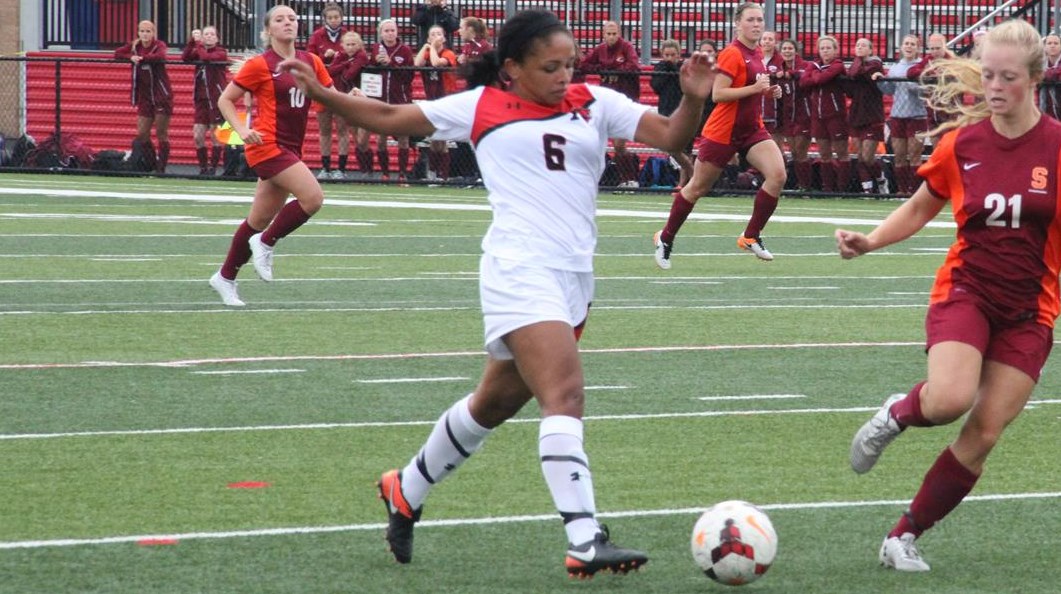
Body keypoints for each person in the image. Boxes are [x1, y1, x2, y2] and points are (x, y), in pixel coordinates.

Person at [281, 8, 713, 576]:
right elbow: (389, 115)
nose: (564, 75)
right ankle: (585, 537)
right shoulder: (481, 105)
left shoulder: (595, 101)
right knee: (565, 394)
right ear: (512, 68)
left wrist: (695, 97)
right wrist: (325, 94)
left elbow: (673, 135)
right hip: (518, 270)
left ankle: (404, 487)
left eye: (569, 64)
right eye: (550, 66)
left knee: (494, 404)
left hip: (574, 277)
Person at [836, 19, 1061, 573]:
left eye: (1008, 77)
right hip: (967, 292)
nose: (994, 87)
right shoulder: (965, 144)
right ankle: (898, 412)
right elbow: (918, 207)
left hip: (1031, 310)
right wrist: (870, 242)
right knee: (950, 399)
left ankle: (903, 535)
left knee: (984, 433)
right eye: (987, 75)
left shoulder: (1057, 147)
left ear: (1035, 79)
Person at [208, 4, 334, 307]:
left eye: (292, 18)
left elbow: (328, 99)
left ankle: (225, 277)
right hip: (266, 146)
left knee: (257, 219)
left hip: (290, 148)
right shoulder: (260, 64)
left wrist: (352, 98)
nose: (288, 22)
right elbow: (226, 100)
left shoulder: (311, 61)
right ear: (268, 30)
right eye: (279, 19)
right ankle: (266, 243)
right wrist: (240, 129)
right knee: (313, 198)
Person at [652, 2, 785, 268]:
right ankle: (665, 237)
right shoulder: (732, 53)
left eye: (760, 20)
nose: (757, 24)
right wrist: (756, 88)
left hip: (751, 129)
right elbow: (719, 94)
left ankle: (751, 236)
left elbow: (751, 87)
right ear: (738, 23)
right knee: (698, 188)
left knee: (778, 175)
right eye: (751, 20)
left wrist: (767, 92)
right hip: (723, 132)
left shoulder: (757, 51)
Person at [580, 21, 643, 187]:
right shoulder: (600, 49)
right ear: (603, 34)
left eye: (614, 33)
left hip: (624, 100)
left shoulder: (627, 47)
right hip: (606, 101)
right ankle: (624, 179)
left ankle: (630, 179)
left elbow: (634, 66)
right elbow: (585, 64)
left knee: (619, 144)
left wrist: (614, 68)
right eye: (608, 34)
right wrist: (601, 69)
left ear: (619, 34)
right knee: (600, 141)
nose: (611, 37)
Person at [114, 20, 172, 174]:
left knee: (161, 133)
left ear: (153, 33)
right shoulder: (135, 46)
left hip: (161, 96)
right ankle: (152, 162)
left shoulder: (159, 45)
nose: (145, 34)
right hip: (144, 96)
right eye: (142, 31)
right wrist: (130, 57)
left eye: (148, 31)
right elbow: (117, 53)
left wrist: (141, 58)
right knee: (142, 134)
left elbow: (160, 56)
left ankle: (161, 168)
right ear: (138, 32)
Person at [878, 34, 929, 194]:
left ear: (918, 48)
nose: (909, 46)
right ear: (901, 47)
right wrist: (880, 81)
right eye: (906, 43)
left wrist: (911, 84)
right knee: (899, 155)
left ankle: (914, 190)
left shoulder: (922, 67)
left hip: (917, 116)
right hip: (898, 116)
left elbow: (926, 90)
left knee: (914, 155)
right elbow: (889, 90)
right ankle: (901, 190)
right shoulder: (895, 67)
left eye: (912, 44)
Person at [366, 19, 415, 181]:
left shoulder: (405, 50)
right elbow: (369, 72)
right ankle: (385, 173)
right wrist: (375, 62)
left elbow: (409, 76)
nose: (390, 33)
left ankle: (402, 174)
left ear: (397, 31)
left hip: (400, 101)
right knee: (380, 139)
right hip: (380, 101)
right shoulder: (375, 49)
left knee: (403, 138)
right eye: (386, 31)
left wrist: (391, 63)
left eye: (392, 30)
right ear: (381, 33)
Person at [800, 35, 849, 193]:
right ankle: (827, 188)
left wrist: (815, 76)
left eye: (828, 48)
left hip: (835, 115)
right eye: (822, 48)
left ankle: (843, 188)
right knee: (824, 153)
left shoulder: (838, 65)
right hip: (818, 116)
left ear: (835, 50)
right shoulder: (814, 65)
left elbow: (822, 78)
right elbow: (803, 82)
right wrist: (815, 76)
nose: (825, 51)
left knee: (841, 152)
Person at [307, 2, 347, 179]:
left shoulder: (347, 35)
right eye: (330, 18)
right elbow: (310, 58)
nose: (333, 20)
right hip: (322, 89)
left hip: (341, 89)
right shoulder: (317, 36)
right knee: (324, 130)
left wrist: (338, 58)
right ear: (325, 19)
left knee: (342, 129)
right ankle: (325, 167)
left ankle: (342, 169)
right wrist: (325, 57)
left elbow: (355, 54)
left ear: (341, 18)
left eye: (336, 17)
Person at [182, 25, 229, 176]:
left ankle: (213, 168)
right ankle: (202, 167)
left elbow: (207, 58)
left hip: (215, 100)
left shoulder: (220, 52)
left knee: (216, 136)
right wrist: (191, 41)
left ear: (217, 38)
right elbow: (185, 57)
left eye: (211, 34)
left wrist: (199, 43)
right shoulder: (199, 50)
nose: (208, 36)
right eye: (205, 34)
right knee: (198, 135)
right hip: (201, 100)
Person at [414, 24, 459, 181]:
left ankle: (443, 175)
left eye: (439, 34)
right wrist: (426, 47)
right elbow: (417, 63)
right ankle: (433, 173)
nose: (436, 37)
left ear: (444, 38)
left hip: (446, 100)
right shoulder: (427, 52)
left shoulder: (449, 53)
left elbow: (437, 63)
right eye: (432, 34)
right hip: (432, 101)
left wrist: (432, 48)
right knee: (434, 138)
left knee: (443, 139)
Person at [650, 39, 696, 186]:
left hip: (683, 111)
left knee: (686, 147)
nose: (669, 58)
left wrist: (674, 70)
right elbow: (656, 87)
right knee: (671, 146)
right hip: (666, 111)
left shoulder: (684, 67)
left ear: (679, 54)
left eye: (673, 55)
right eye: (666, 55)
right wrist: (666, 70)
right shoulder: (660, 68)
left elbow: (685, 87)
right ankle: (691, 172)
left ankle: (683, 184)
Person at [847, 37, 888, 194]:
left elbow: (860, 72)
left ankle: (882, 180)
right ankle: (867, 190)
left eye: (864, 45)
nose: (860, 47)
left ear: (871, 50)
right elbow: (853, 73)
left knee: (868, 156)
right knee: (859, 155)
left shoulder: (875, 63)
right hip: (857, 115)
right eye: (857, 45)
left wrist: (859, 69)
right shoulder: (856, 64)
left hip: (872, 116)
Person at [330, 31, 372, 179]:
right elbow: (331, 70)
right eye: (348, 44)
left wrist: (345, 66)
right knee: (354, 136)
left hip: (362, 100)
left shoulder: (361, 56)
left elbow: (349, 75)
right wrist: (346, 63)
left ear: (359, 45)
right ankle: (364, 171)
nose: (351, 47)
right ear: (343, 46)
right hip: (348, 98)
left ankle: (368, 169)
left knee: (362, 139)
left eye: (354, 44)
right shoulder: (342, 57)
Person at [776, 38, 812, 191]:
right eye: (784, 49)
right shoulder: (779, 68)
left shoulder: (805, 66)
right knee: (793, 152)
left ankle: (806, 185)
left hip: (803, 116)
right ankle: (799, 185)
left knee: (800, 150)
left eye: (790, 48)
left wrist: (789, 74)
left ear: (796, 51)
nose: (787, 51)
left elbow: (804, 76)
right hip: (788, 116)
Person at [759, 30, 783, 148]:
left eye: (770, 39)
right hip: (756, 107)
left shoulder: (780, 60)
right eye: (764, 39)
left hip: (775, 108)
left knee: (775, 144)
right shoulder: (755, 58)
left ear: (775, 43)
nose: (767, 42)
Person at [1040, 33, 1061, 119]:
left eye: (1056, 43)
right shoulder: (1039, 63)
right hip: (1045, 111)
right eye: (1049, 43)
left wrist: (1042, 76)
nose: (1052, 46)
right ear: (1044, 47)